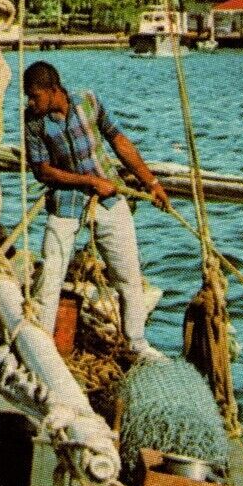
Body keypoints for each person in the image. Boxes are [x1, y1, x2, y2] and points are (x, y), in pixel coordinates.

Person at [22, 60, 170, 364]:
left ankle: (137, 343)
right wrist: (89, 181)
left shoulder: (88, 101)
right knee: (50, 276)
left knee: (128, 275)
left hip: (110, 201)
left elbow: (119, 141)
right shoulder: (32, 122)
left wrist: (151, 182)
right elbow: (42, 171)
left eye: (34, 95)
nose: (30, 102)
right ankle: (42, 350)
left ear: (53, 90)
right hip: (66, 203)